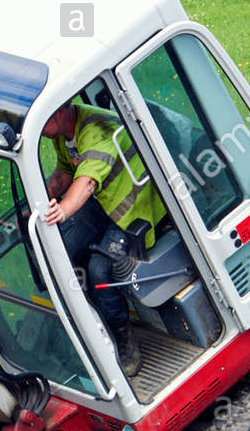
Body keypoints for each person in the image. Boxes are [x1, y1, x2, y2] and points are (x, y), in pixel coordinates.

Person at [42, 101, 166, 376]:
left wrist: (61, 210)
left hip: (134, 206)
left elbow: (86, 182)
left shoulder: (96, 129)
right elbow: (66, 172)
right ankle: (84, 328)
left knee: (100, 270)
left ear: (61, 110)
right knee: (61, 251)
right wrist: (39, 202)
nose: (41, 131)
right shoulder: (64, 134)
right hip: (105, 202)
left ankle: (124, 337)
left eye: (44, 120)